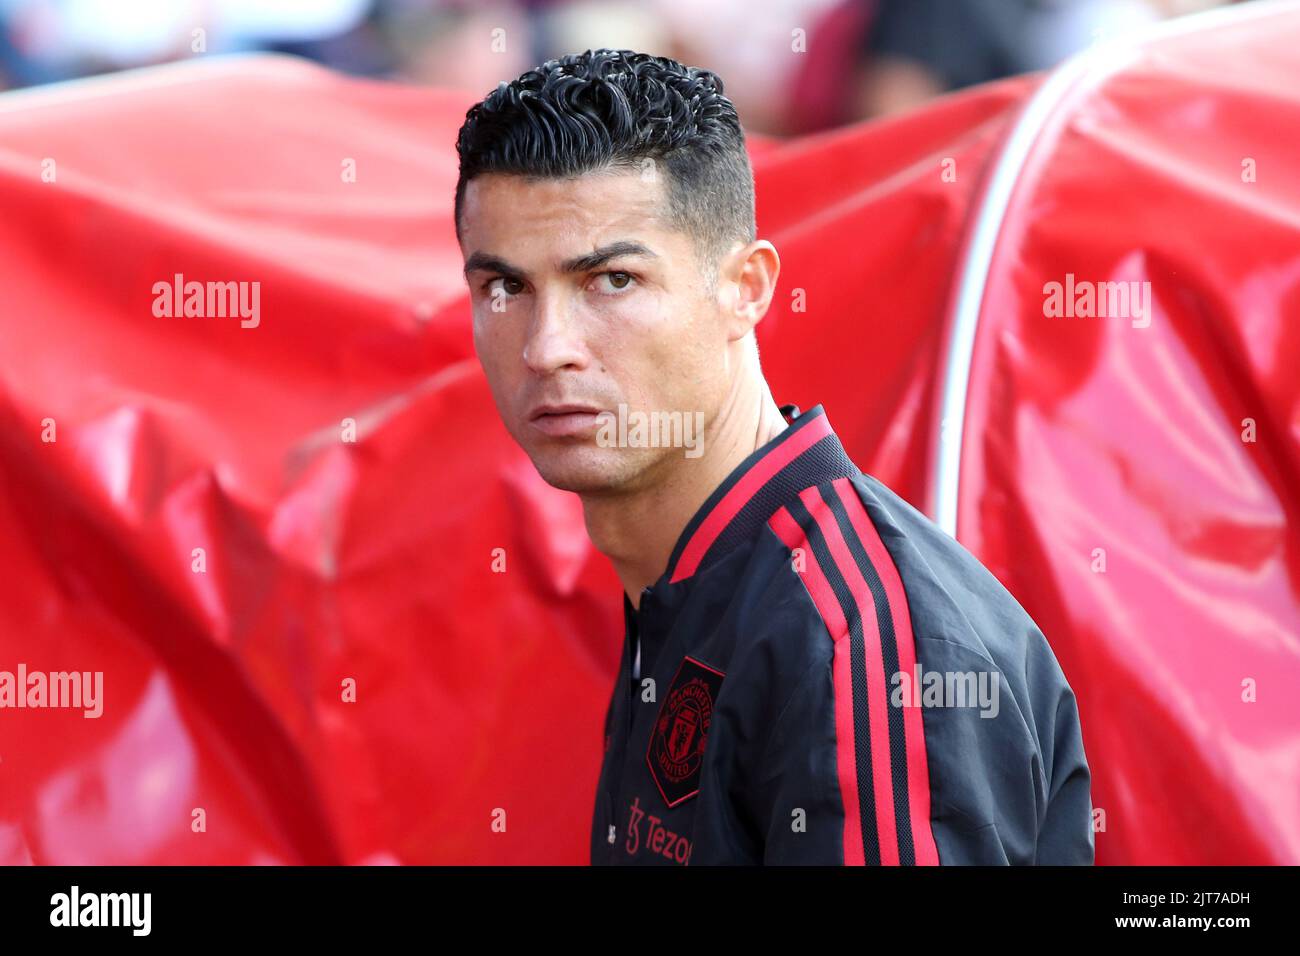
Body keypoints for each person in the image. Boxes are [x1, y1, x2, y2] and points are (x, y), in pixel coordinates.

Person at [454, 48, 1093, 865]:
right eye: (504, 288)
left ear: (748, 289)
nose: (547, 347)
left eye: (612, 280)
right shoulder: (699, 577)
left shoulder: (862, 643)